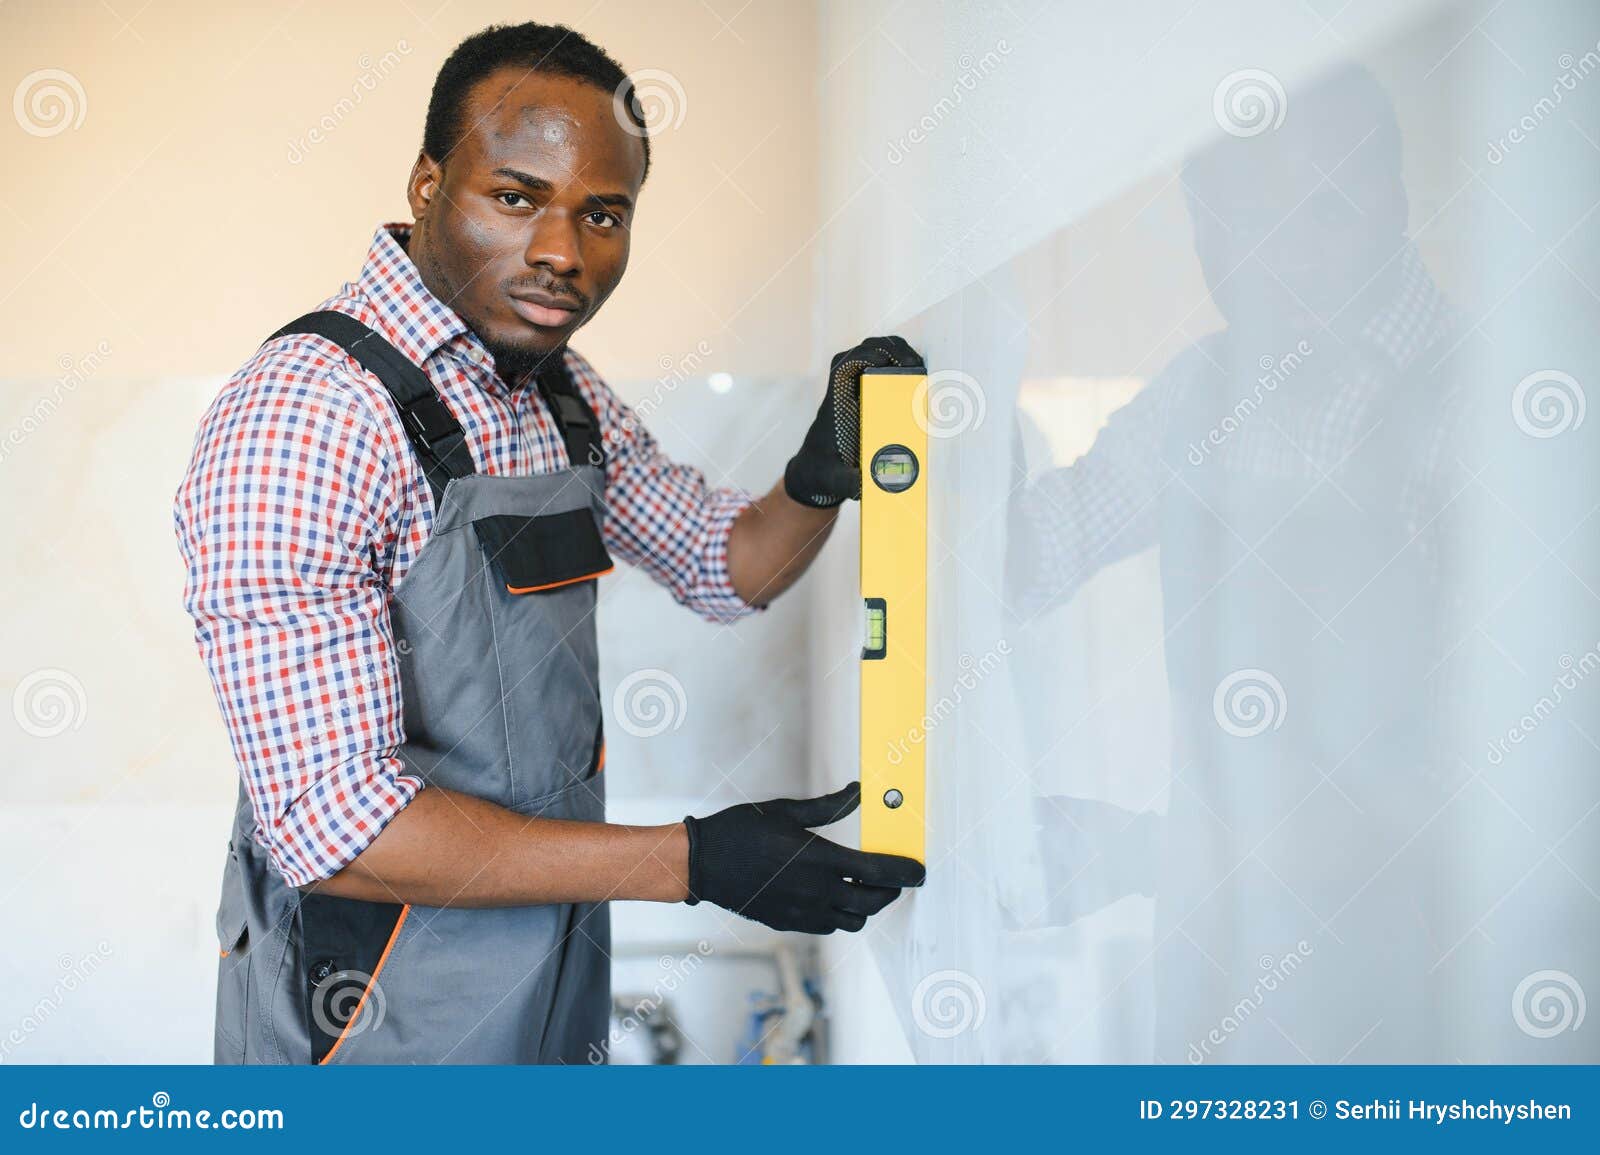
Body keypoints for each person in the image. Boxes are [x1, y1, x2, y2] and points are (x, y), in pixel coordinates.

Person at [173, 21, 924, 1066]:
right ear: (429, 183)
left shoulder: (553, 395)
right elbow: (335, 826)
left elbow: (725, 563)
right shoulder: (313, 414)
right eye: (517, 197)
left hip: (546, 986)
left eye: (602, 214)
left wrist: (820, 473)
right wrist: (697, 861)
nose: (564, 253)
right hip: (367, 1031)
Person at [1009, 66, 1476, 1061]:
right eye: (1235, 222)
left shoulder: (1484, 413)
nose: (1278, 258)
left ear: (1393, 204)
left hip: (1432, 986)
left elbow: (1487, 776)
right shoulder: (1200, 396)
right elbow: (1032, 562)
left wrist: (1144, 853)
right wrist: (924, 437)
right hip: (1224, 971)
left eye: (1323, 213)